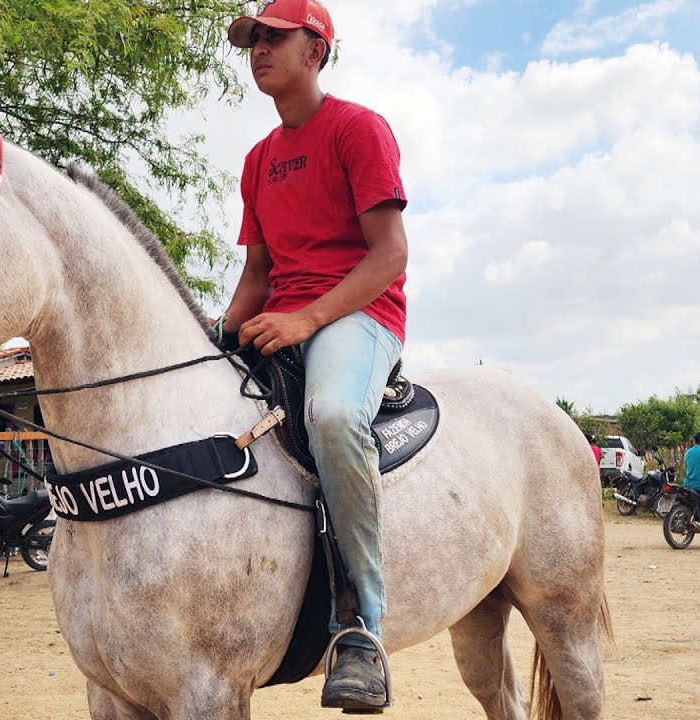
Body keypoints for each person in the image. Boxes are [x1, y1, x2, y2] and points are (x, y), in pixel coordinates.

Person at [222, 0, 409, 710]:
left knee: (330, 414)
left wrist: (307, 319)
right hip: (282, 314)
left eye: (274, 37)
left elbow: (389, 255)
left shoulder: (358, 129)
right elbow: (257, 275)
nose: (258, 49)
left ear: (316, 50)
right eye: (252, 40)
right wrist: (219, 330)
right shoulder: (258, 161)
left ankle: (360, 629)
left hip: (358, 314)